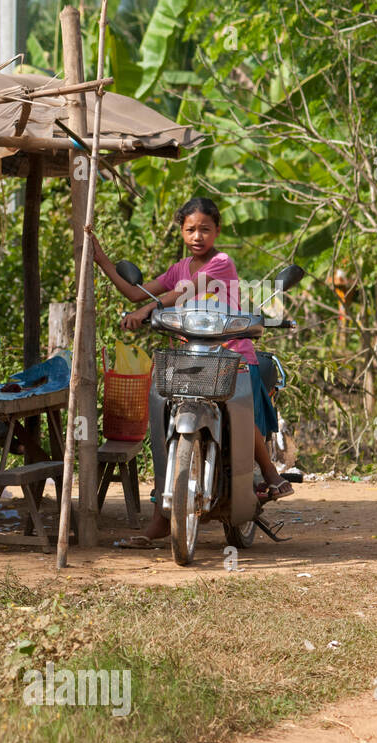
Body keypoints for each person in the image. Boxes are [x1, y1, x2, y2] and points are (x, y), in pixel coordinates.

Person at [87, 197, 291, 548]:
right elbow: (136, 291)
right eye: (190, 229)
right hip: (195, 356)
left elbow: (183, 291)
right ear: (181, 231)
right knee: (167, 416)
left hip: (233, 354)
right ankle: (161, 516)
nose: (198, 236)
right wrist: (101, 259)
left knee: (238, 412)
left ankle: (271, 475)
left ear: (217, 231)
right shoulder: (178, 266)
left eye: (205, 229)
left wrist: (147, 310)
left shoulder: (221, 262)